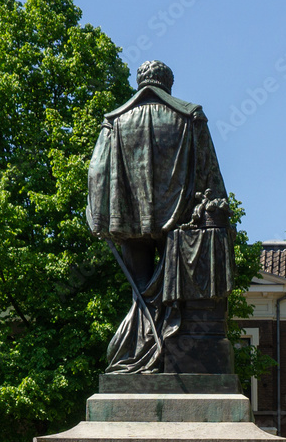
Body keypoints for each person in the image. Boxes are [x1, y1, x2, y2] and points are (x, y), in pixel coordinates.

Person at [86, 61, 231, 373]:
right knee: (171, 294)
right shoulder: (190, 116)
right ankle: (170, 355)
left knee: (140, 288)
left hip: (128, 220)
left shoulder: (114, 121)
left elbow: (97, 172)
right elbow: (209, 171)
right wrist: (218, 207)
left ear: (140, 83)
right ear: (168, 85)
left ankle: (134, 354)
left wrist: (98, 219)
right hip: (180, 220)